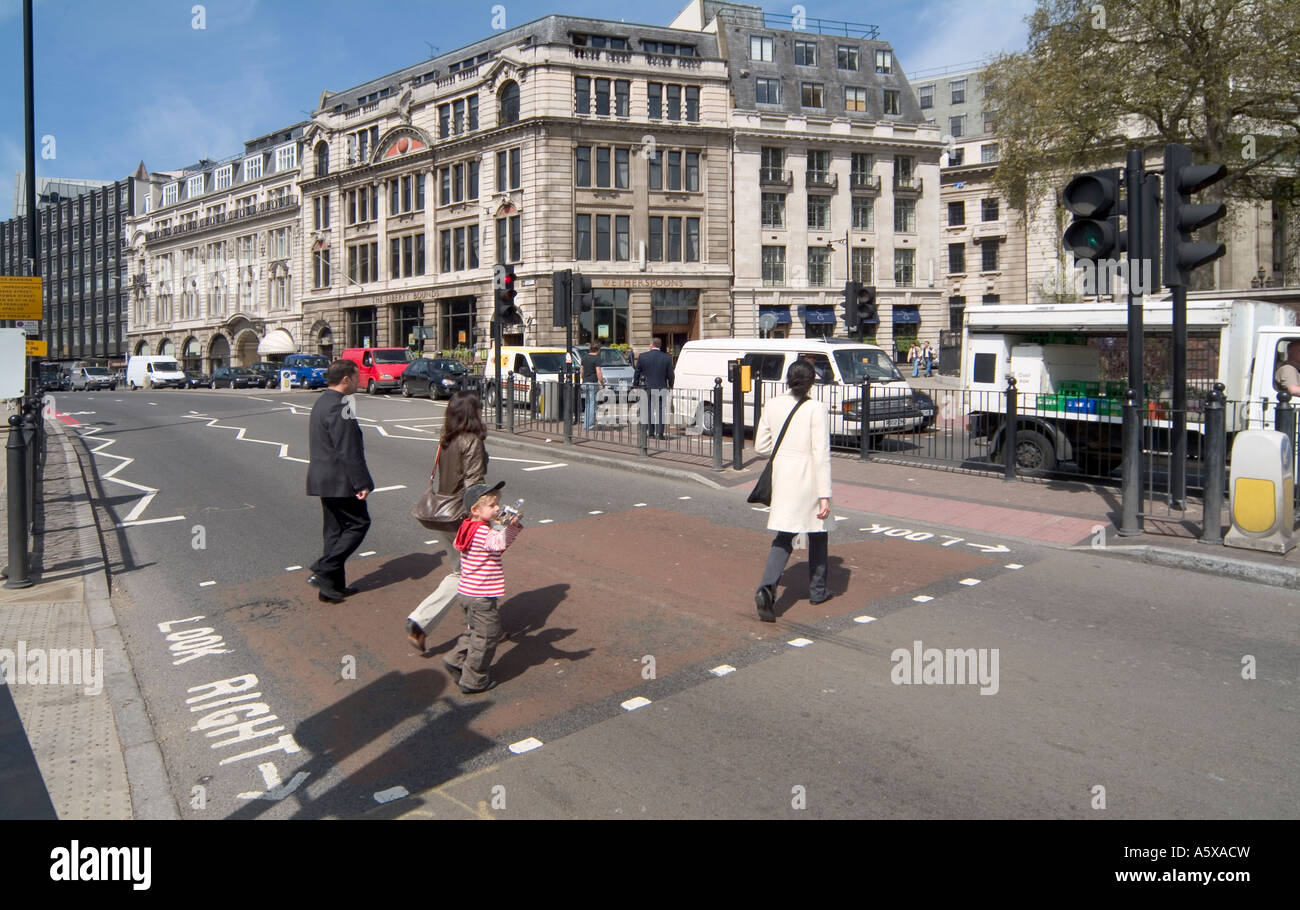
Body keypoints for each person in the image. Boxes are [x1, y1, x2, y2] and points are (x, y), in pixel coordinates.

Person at [407, 390, 488, 651]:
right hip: (462, 516)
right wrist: (482, 518)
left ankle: (431, 621)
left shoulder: (447, 439)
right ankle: (473, 627)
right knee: (473, 574)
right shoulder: (472, 441)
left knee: (461, 572)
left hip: (442, 513)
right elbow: (474, 485)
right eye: (478, 407)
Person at [753, 359, 832, 621]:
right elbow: (821, 454)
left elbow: (761, 447)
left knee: (783, 537)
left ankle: (767, 587)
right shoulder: (816, 408)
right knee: (819, 534)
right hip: (809, 479)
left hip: (783, 478)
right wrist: (825, 495)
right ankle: (818, 591)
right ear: (811, 382)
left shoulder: (773, 404)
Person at [443, 482, 523, 694]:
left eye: (497, 504)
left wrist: (504, 527)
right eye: (492, 505)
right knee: (487, 636)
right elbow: (498, 544)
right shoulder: (481, 532)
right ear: (475, 510)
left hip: (467, 592)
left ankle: (456, 659)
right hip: (481, 594)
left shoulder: (468, 528)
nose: (497, 508)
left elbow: (493, 546)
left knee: (474, 631)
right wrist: (512, 526)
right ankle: (474, 679)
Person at [306, 359, 374, 603]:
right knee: (359, 524)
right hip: (340, 481)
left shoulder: (323, 401)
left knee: (334, 531)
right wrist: (361, 483)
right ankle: (324, 568)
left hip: (324, 479)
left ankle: (330, 588)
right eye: (356, 378)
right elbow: (348, 449)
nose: (358, 382)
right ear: (346, 380)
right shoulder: (338, 407)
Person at [634, 337, 675, 438]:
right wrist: (671, 385)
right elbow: (671, 374)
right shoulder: (667, 357)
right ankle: (660, 433)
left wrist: (635, 385)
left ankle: (651, 433)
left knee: (649, 410)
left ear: (651, 345)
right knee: (661, 410)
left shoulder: (643, 356)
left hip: (648, 387)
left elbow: (637, 372)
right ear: (660, 346)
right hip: (662, 387)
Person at [580, 341, 604, 430]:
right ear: (597, 349)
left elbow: (581, 370)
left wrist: (584, 378)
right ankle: (590, 426)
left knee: (587, 404)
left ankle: (585, 425)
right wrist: (602, 383)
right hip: (593, 383)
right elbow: (599, 373)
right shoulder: (597, 358)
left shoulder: (584, 357)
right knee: (592, 405)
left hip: (585, 383)